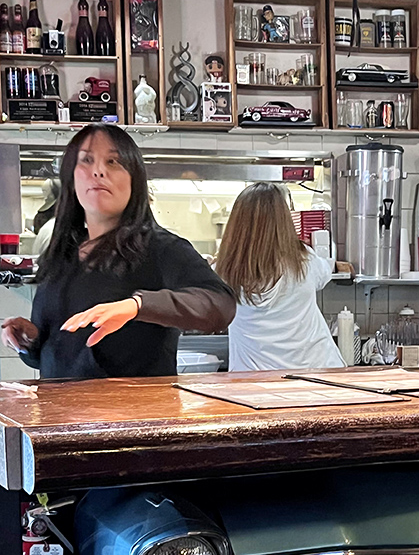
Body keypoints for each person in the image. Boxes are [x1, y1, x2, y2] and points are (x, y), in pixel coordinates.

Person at [1, 124, 235, 380]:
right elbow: (54, 357)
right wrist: (29, 341)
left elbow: (220, 305)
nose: (99, 171)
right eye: (87, 160)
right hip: (61, 416)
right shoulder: (60, 255)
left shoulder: (161, 248)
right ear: (71, 179)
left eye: (113, 161)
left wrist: (136, 306)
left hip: (136, 416)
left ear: (134, 178)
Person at [215, 182, 344, 372]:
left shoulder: (223, 271)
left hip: (254, 381)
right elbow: (325, 272)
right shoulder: (304, 261)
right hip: (317, 372)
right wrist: (335, 263)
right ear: (284, 220)